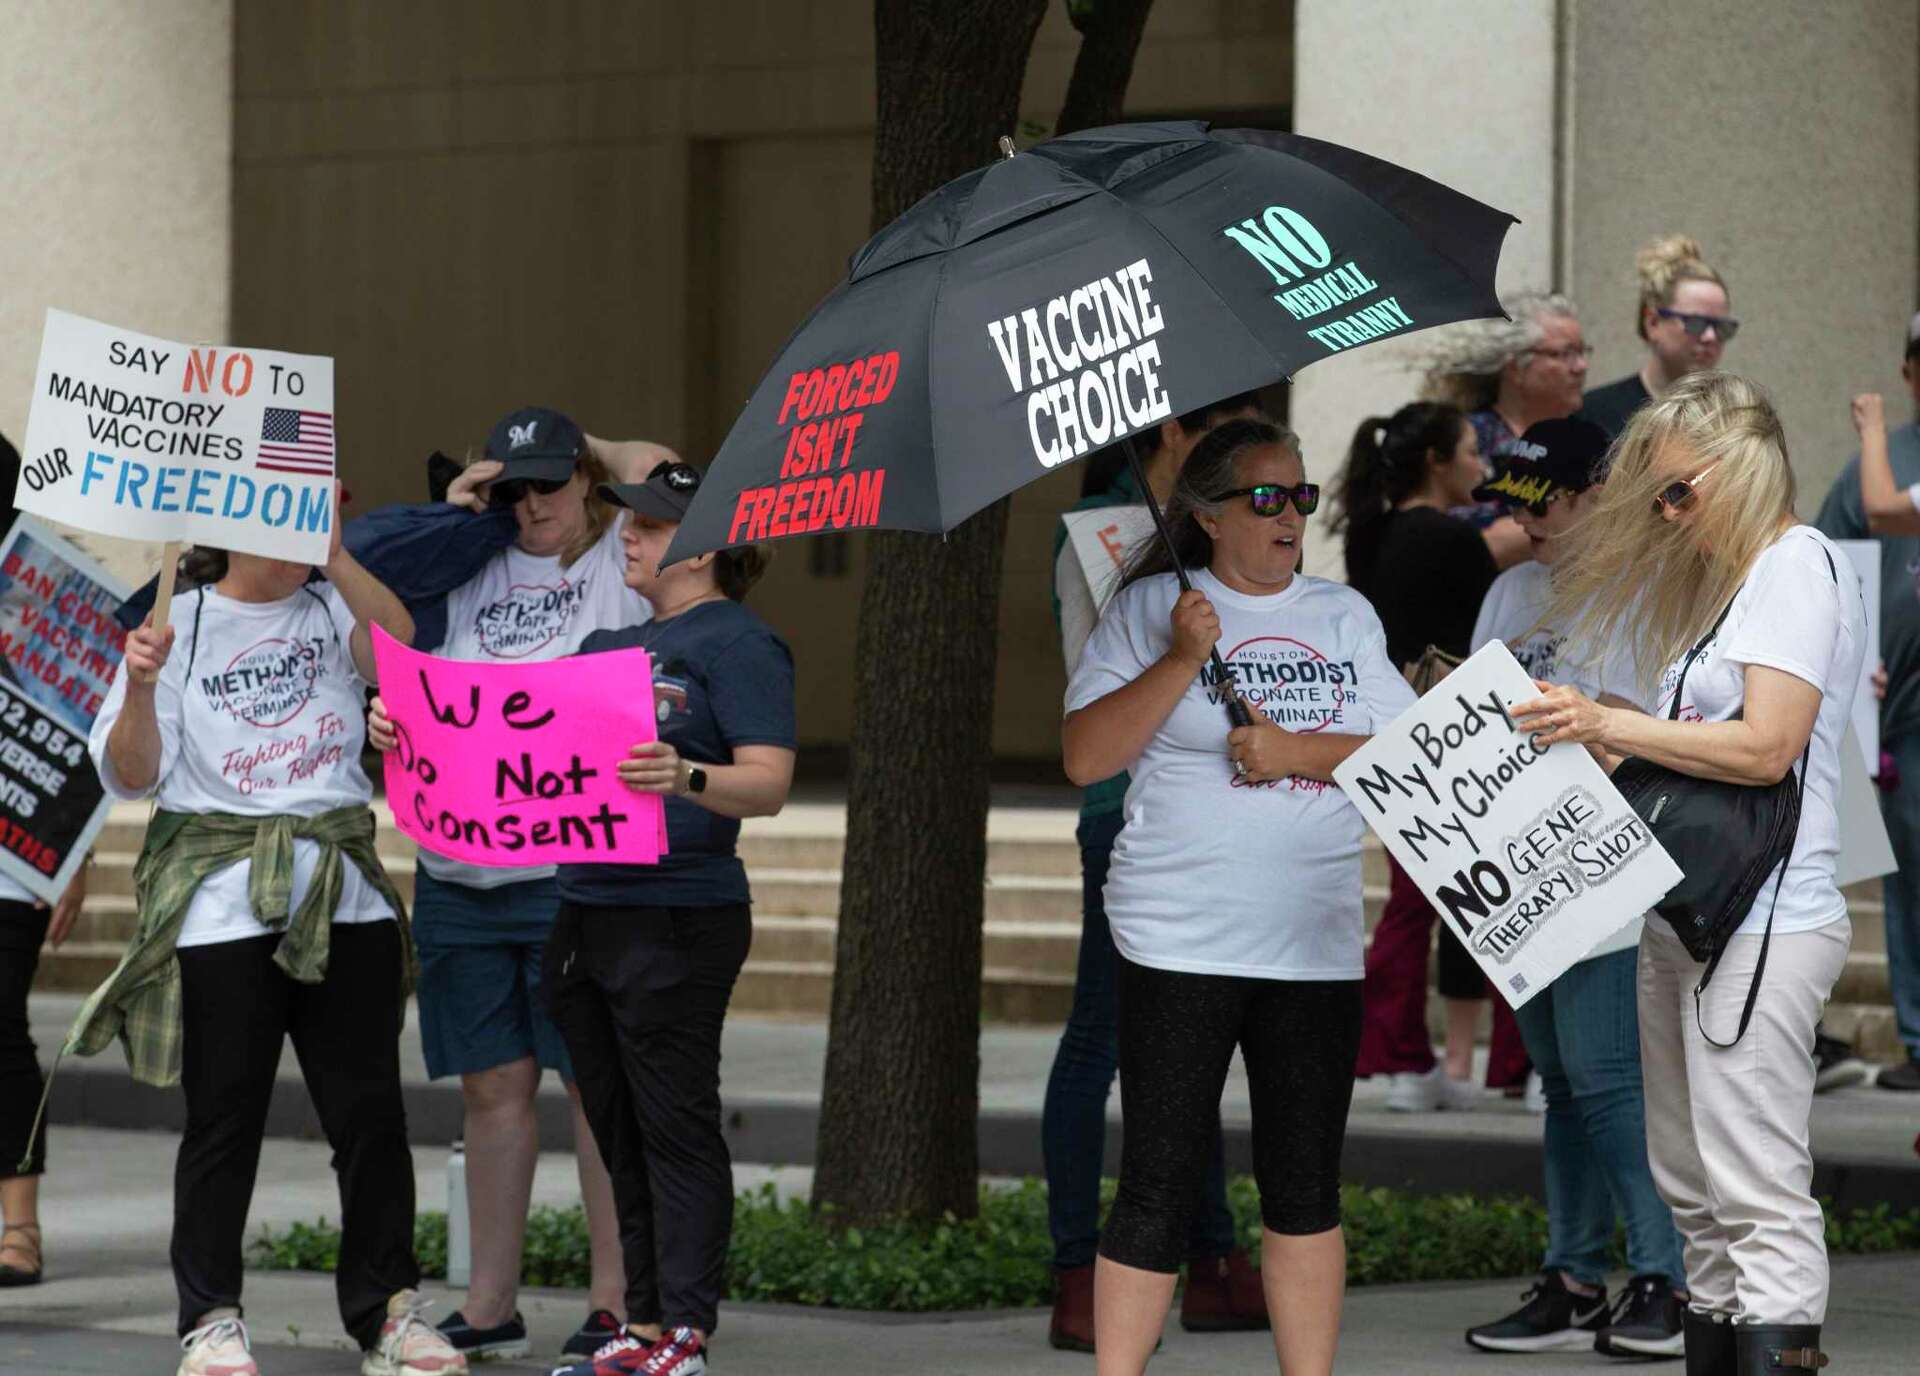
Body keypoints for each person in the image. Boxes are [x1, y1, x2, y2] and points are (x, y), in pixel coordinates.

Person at [375, 460, 793, 1376]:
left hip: (679, 914)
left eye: (648, 526)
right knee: (618, 1124)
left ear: (708, 547)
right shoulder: (608, 641)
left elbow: (769, 782)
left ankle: (686, 1327)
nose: (628, 537)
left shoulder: (739, 645)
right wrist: (411, 729)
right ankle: (642, 1325)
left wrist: (685, 776)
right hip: (587, 909)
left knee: (674, 1124)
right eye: (628, 523)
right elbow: (507, 738)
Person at [1517, 371, 1867, 1374]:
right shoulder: (1740, 579)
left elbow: (1767, 746)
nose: (1668, 513)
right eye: (1660, 495)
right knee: (1695, 1181)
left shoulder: (1795, 564)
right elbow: (1700, 742)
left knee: (1750, 1180)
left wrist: (1606, 720)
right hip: (1693, 912)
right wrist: (1591, 720)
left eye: (1680, 490)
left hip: (1761, 915)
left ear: (1743, 467)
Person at [76, 508, 468, 1376]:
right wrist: (141, 683)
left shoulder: (334, 606)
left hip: (343, 895)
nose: (298, 552)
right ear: (231, 524)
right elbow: (134, 774)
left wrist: (332, 554)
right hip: (222, 908)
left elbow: (400, 647)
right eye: (282, 529)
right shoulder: (178, 622)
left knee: (370, 1117)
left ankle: (389, 1312)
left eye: (311, 527)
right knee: (224, 1119)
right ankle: (210, 1318)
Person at [1063, 417, 1415, 1376]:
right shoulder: (1148, 612)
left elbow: (1415, 758)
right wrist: (1181, 658)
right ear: (1208, 517)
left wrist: (1296, 752)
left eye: (1300, 495)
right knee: (1156, 1185)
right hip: (1179, 939)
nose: (1290, 514)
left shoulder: (1344, 616)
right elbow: (1086, 755)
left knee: (1305, 1187)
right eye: (1266, 498)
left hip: (1312, 944)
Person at [404, 408, 650, 1363]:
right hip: (460, 868)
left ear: (586, 479)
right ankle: (490, 1300)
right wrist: (460, 506)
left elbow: (674, 470)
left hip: (571, 866)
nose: (532, 504)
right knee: (491, 1084)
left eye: (549, 482)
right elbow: (377, 613)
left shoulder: (616, 561)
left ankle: (615, 1297)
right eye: (514, 489)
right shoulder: (466, 564)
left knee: (592, 1084)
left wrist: (593, 447)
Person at [1456, 419, 1690, 1360]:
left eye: (1549, 500)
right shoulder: (1514, 588)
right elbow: (1469, 709)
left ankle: (1666, 1277)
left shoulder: (1645, 595)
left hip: (1610, 862)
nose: (1533, 522)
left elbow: (1659, 725)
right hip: (1524, 864)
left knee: (1608, 1079)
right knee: (1564, 1081)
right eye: (1518, 503)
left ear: (1604, 496)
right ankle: (1574, 1274)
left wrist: (1591, 722)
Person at [1043, 395, 1269, 1351]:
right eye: (1223, 436)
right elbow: (1105, 687)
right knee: (1103, 1039)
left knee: (1189, 1048)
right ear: (1172, 434)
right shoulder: (1104, 540)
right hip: (1128, 816)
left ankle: (1214, 1258)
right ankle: (1078, 1271)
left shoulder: (1205, 540)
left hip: (1221, 810)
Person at [1328, 401, 1527, 1109]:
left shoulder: (1372, 534)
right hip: (1459, 740)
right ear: (1439, 462)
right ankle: (1513, 1063)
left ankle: (1402, 1057)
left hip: (1396, 736)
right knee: (1503, 895)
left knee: (1412, 905)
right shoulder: (1450, 543)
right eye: (1473, 450)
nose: (1484, 464)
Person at [1815, 318, 1920, 1093]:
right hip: (1904, 713)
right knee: (1909, 875)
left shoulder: (1883, 465)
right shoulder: (1870, 468)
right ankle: (1917, 1042)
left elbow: (1888, 513)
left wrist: (1873, 425)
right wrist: (1856, 663)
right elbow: (1830, 563)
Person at [0, 431, 88, 1289]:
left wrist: (76, 858)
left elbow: (81, 743)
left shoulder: (46, 603)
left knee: (0, 1031)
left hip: (15, 859)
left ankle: (17, 1228)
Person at [1423, 289, 1592, 569]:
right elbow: (1471, 547)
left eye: (1582, 352)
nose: (1581, 366)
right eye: (1565, 353)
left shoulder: (1588, 440)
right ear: (1516, 368)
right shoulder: (1471, 441)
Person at [1577, 235, 1736, 440]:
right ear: (1652, 322)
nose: (1710, 337)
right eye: (1695, 323)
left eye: (1721, 326)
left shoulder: (1737, 422)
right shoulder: (1595, 415)